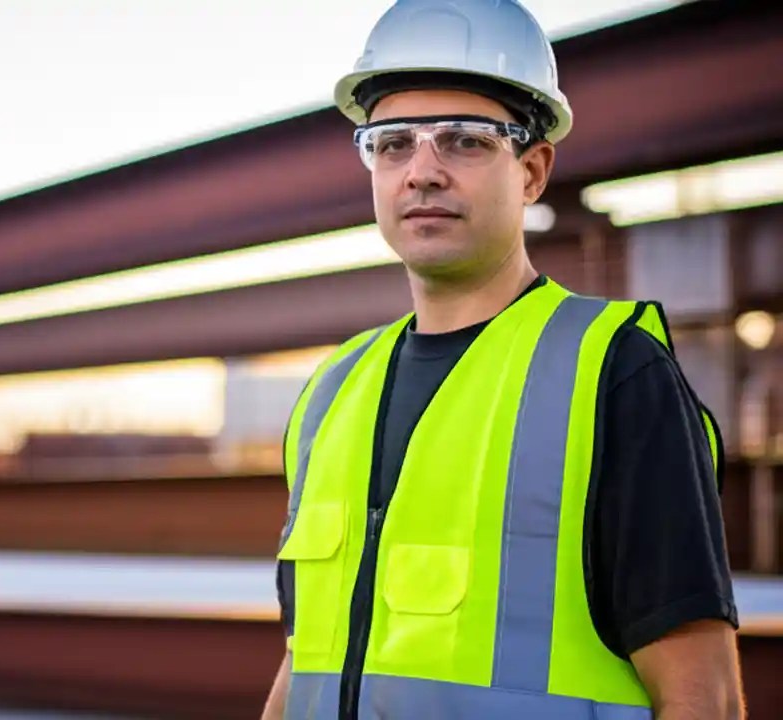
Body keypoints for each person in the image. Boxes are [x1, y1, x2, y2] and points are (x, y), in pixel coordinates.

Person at [259, 1, 743, 718]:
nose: (421, 172)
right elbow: (305, 660)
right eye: (392, 143)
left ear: (533, 171)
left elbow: (705, 695)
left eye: (464, 141)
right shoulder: (334, 391)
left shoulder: (614, 374)